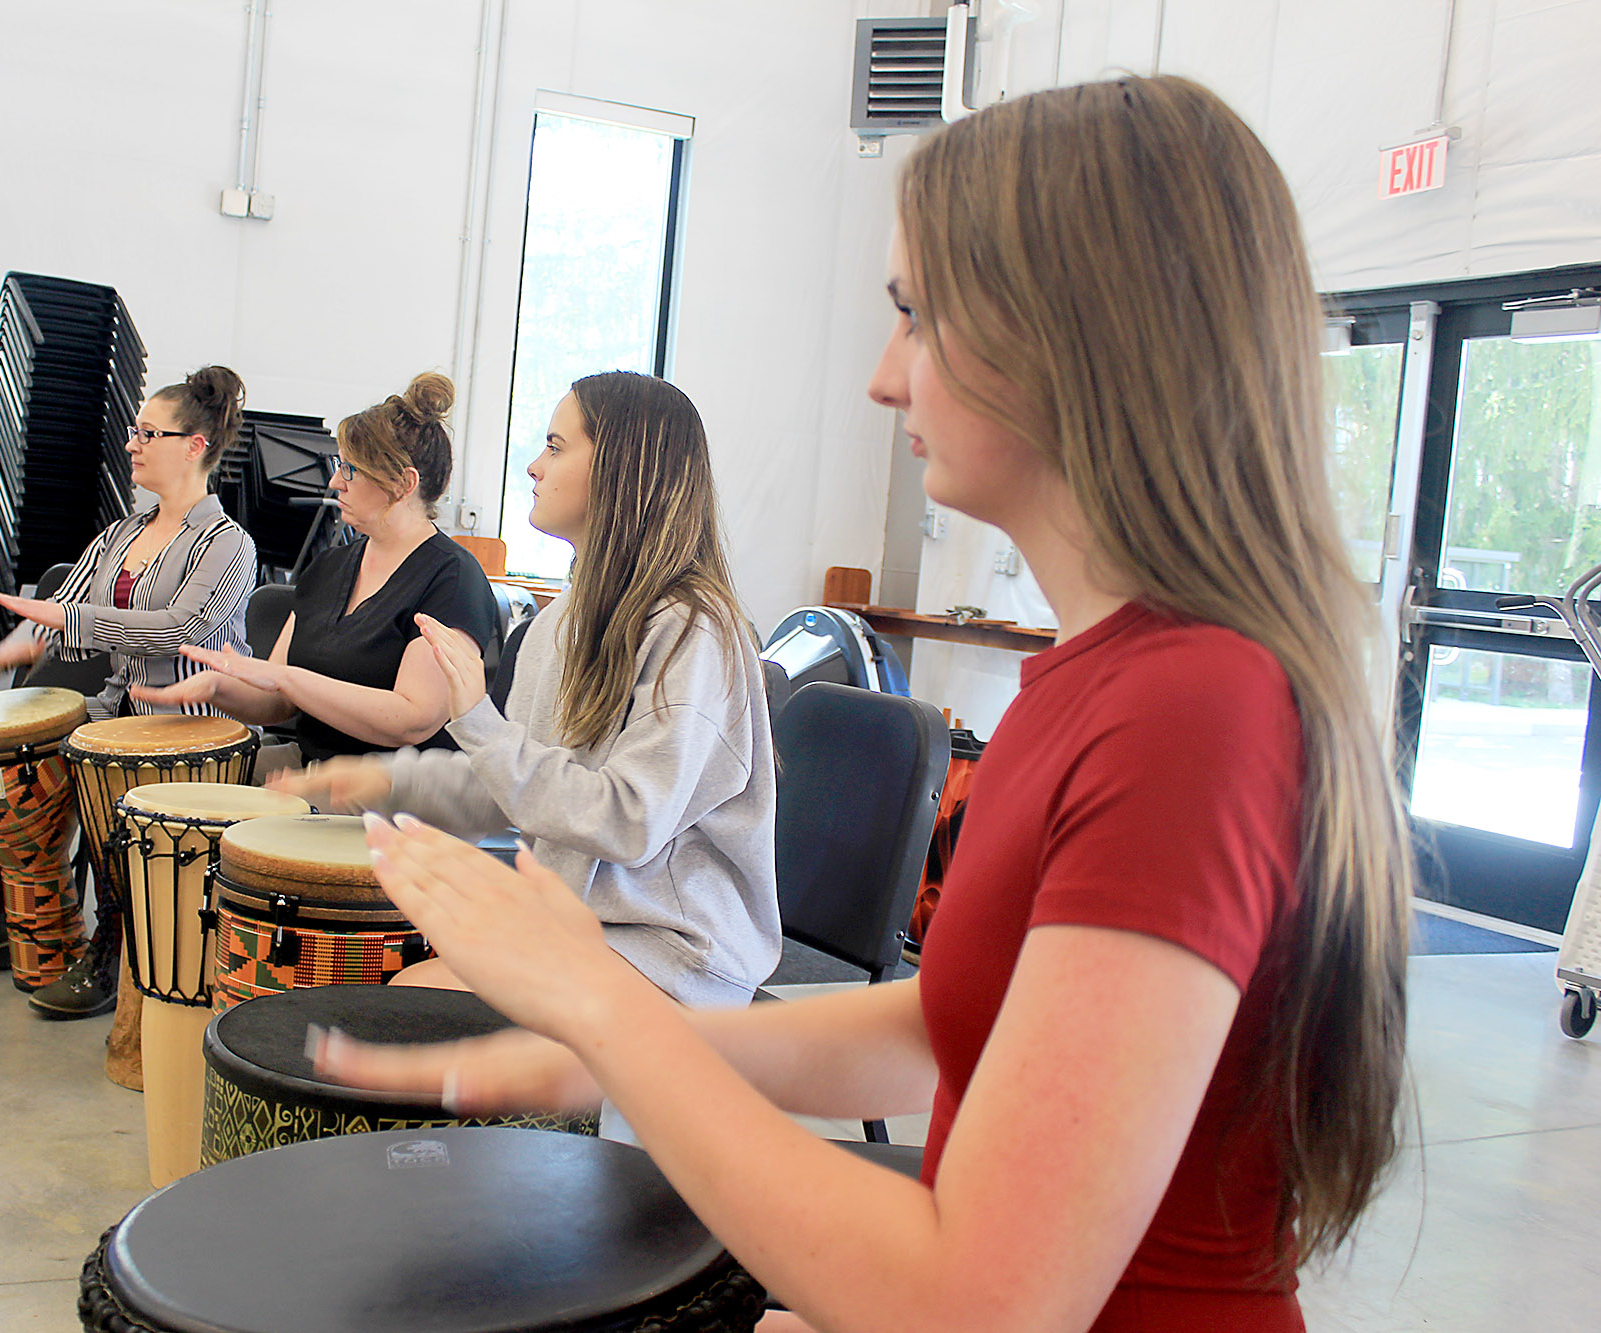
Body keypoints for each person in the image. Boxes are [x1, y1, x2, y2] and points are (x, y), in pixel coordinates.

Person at [309, 76, 1414, 1332]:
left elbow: (982, 1296)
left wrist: (608, 1008)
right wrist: (603, 1047)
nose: (884, 379)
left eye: (913, 317)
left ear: (1073, 337)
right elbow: (946, 1023)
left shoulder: (1187, 711)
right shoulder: (1097, 680)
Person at [255, 371, 781, 1010]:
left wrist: (475, 717)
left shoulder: (692, 630)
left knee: (414, 1006)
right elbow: (516, 790)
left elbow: (628, 820)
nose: (533, 466)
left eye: (556, 447)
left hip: (673, 950)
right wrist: (384, 783)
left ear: (623, 469)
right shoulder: (562, 622)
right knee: (396, 990)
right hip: (576, 925)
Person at [0, 366, 256, 1020]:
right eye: (134, 430)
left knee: (105, 772)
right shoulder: (123, 533)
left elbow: (179, 628)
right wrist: (26, 635)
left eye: (148, 433)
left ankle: (111, 942)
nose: (131, 444)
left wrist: (61, 621)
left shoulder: (227, 542)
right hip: (118, 706)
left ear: (195, 445)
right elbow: (63, 601)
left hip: (194, 718)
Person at [132, 371, 501, 765]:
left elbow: (412, 719)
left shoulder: (452, 578)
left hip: (396, 801)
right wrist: (215, 688)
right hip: (311, 774)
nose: (334, 482)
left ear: (402, 484)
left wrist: (288, 678)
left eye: (350, 469)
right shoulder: (331, 566)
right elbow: (277, 702)